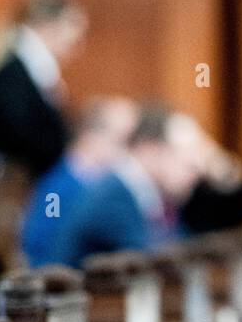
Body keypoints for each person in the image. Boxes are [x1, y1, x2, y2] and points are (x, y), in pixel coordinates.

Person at [47, 104, 201, 268]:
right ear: (149, 149)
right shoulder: (113, 197)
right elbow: (153, 263)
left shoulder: (138, 191)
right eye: (182, 157)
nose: (194, 170)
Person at [0, 0, 88, 178]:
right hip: (9, 189)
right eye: (74, 33)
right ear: (48, 25)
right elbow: (24, 139)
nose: (78, 47)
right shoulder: (12, 75)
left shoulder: (31, 73)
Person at [20, 97, 138, 267]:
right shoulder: (55, 191)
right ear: (91, 137)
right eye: (122, 141)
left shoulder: (108, 187)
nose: (127, 154)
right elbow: (41, 247)